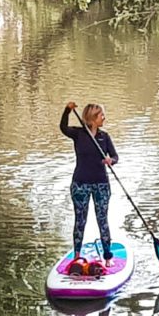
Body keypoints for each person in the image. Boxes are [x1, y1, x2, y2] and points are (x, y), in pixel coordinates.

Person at [61, 100, 118, 274]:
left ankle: (108, 256)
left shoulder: (104, 137)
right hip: (80, 184)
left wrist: (111, 161)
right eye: (101, 115)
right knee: (80, 221)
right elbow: (63, 128)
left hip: (101, 184)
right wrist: (67, 111)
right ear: (93, 118)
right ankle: (77, 255)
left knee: (102, 220)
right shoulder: (78, 134)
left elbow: (115, 156)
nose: (104, 118)